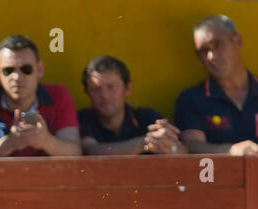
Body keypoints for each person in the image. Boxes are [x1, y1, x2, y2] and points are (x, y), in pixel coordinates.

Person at [0, 34, 80, 157]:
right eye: (8, 70)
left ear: (40, 69)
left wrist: (46, 141)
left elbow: (75, 151)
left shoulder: (59, 96)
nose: (17, 77)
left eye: (26, 69)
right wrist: (11, 143)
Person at [174, 14, 258, 156]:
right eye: (203, 51)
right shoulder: (192, 99)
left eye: (217, 44)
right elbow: (192, 146)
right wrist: (231, 151)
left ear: (237, 41)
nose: (211, 56)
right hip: (218, 177)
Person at [79, 55, 181, 155]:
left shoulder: (148, 118)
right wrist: (146, 142)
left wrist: (170, 144)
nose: (104, 95)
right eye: (96, 89)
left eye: (111, 87)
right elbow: (92, 151)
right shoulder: (82, 119)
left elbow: (183, 153)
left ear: (127, 89)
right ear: (87, 92)